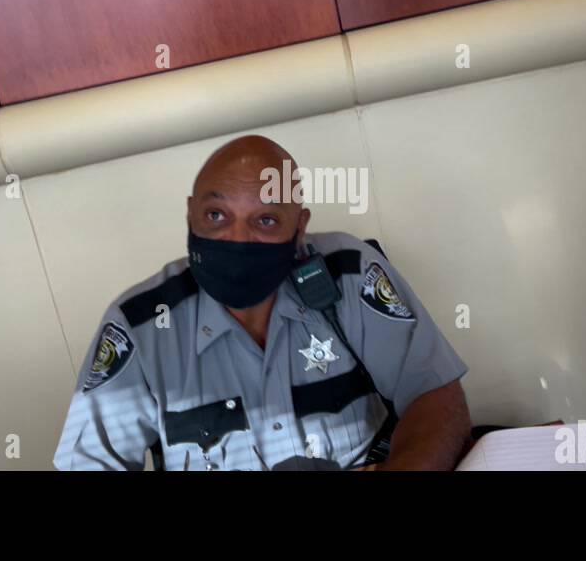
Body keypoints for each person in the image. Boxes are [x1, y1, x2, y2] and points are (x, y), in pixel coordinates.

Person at [53, 135, 470, 470]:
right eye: (216, 216)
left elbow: (435, 398)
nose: (237, 240)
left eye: (265, 220)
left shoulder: (349, 272)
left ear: (299, 227)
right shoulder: (141, 327)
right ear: (190, 214)